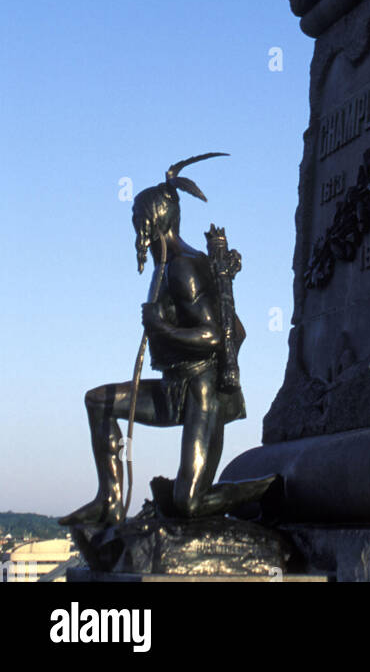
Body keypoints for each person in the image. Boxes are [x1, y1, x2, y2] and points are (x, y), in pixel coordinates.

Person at [59, 155, 273, 526]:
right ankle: (109, 501)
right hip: (174, 384)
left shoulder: (183, 267)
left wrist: (162, 328)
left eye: (137, 219)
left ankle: (269, 489)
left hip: (202, 392)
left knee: (188, 502)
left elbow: (214, 336)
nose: (134, 226)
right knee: (99, 402)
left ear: (152, 219)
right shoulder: (163, 266)